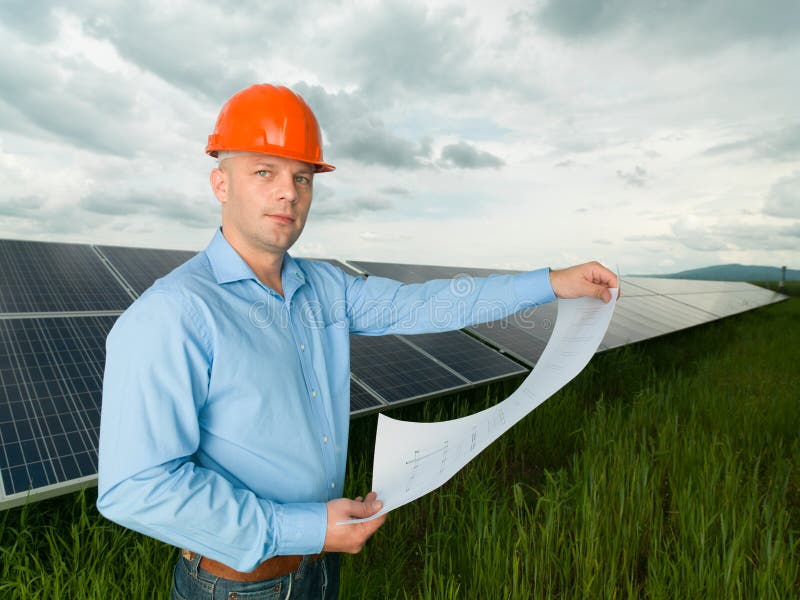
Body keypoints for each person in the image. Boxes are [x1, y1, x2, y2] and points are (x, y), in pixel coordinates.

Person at [97, 83, 618, 599]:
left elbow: (430, 304)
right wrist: (304, 529)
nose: (289, 192)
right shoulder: (172, 315)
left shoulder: (325, 287)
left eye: (303, 177)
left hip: (320, 570)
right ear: (220, 184)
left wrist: (549, 283)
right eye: (264, 172)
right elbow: (134, 488)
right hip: (236, 588)